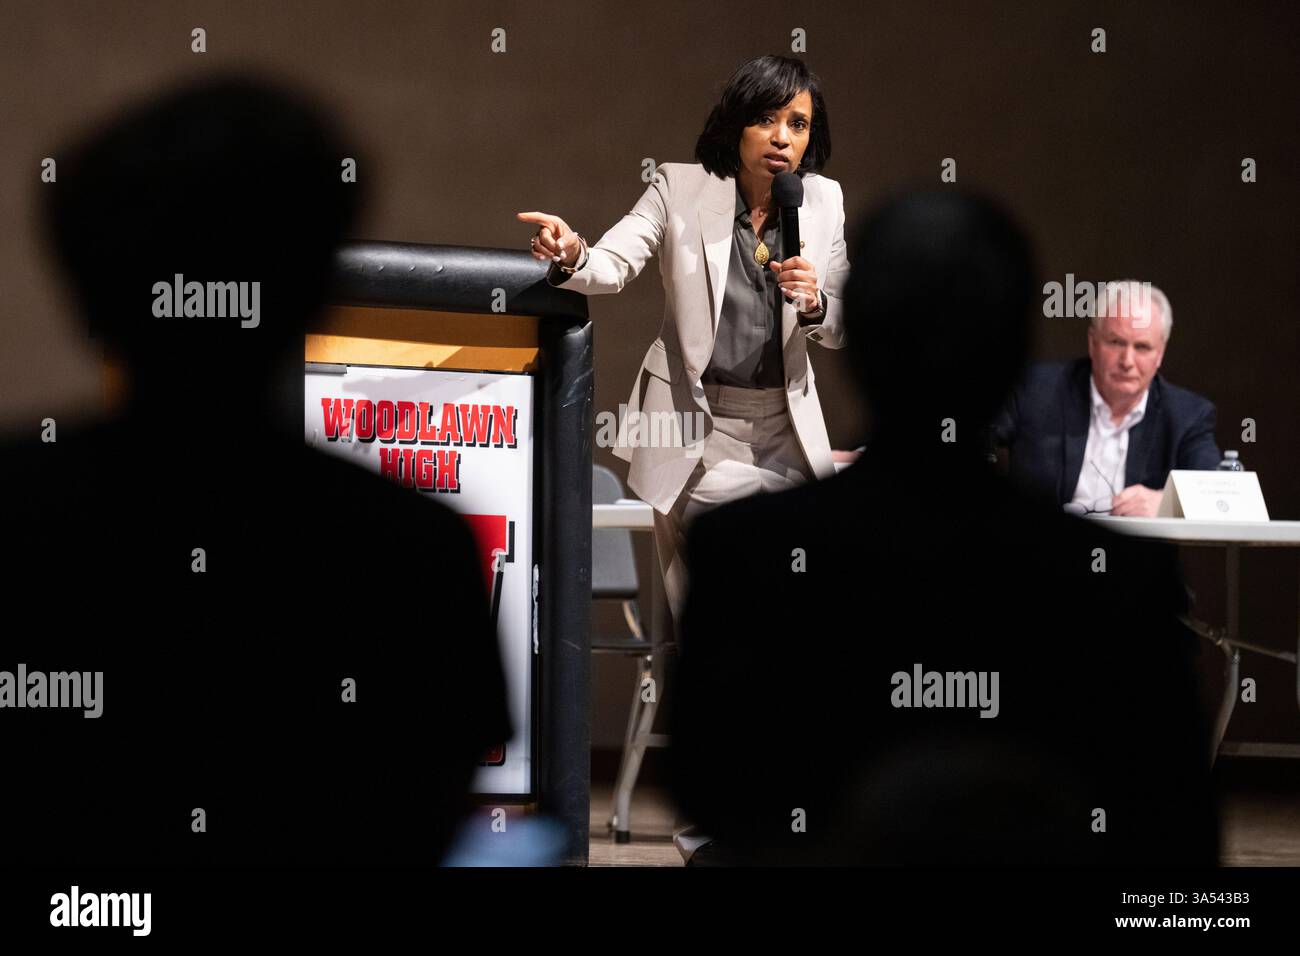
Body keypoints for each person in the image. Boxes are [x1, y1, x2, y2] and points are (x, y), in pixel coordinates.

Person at [0, 75, 511, 868]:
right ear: (319, 292)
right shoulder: (410, 551)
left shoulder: (17, 514)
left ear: (85, 298)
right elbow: (427, 815)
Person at [668, 191, 1219, 865]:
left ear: (857, 345)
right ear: (1021, 353)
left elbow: (709, 794)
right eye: (1116, 341)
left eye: (1143, 346)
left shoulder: (745, 556)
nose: (1128, 357)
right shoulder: (1121, 588)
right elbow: (1181, 846)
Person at [516, 54, 849, 626]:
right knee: (733, 601)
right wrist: (572, 253)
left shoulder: (822, 201)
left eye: (797, 123)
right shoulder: (680, 185)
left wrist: (817, 302)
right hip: (696, 426)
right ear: (735, 124)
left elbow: (844, 326)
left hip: (787, 430)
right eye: (766, 118)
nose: (781, 137)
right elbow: (613, 262)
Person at [993, 281, 1220, 516]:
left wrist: (1166, 503)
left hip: (1133, 552)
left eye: (1142, 347)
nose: (1127, 362)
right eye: (1116, 342)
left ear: (1160, 354)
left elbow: (1220, 495)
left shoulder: (1187, 416)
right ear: (1093, 343)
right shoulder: (1035, 389)